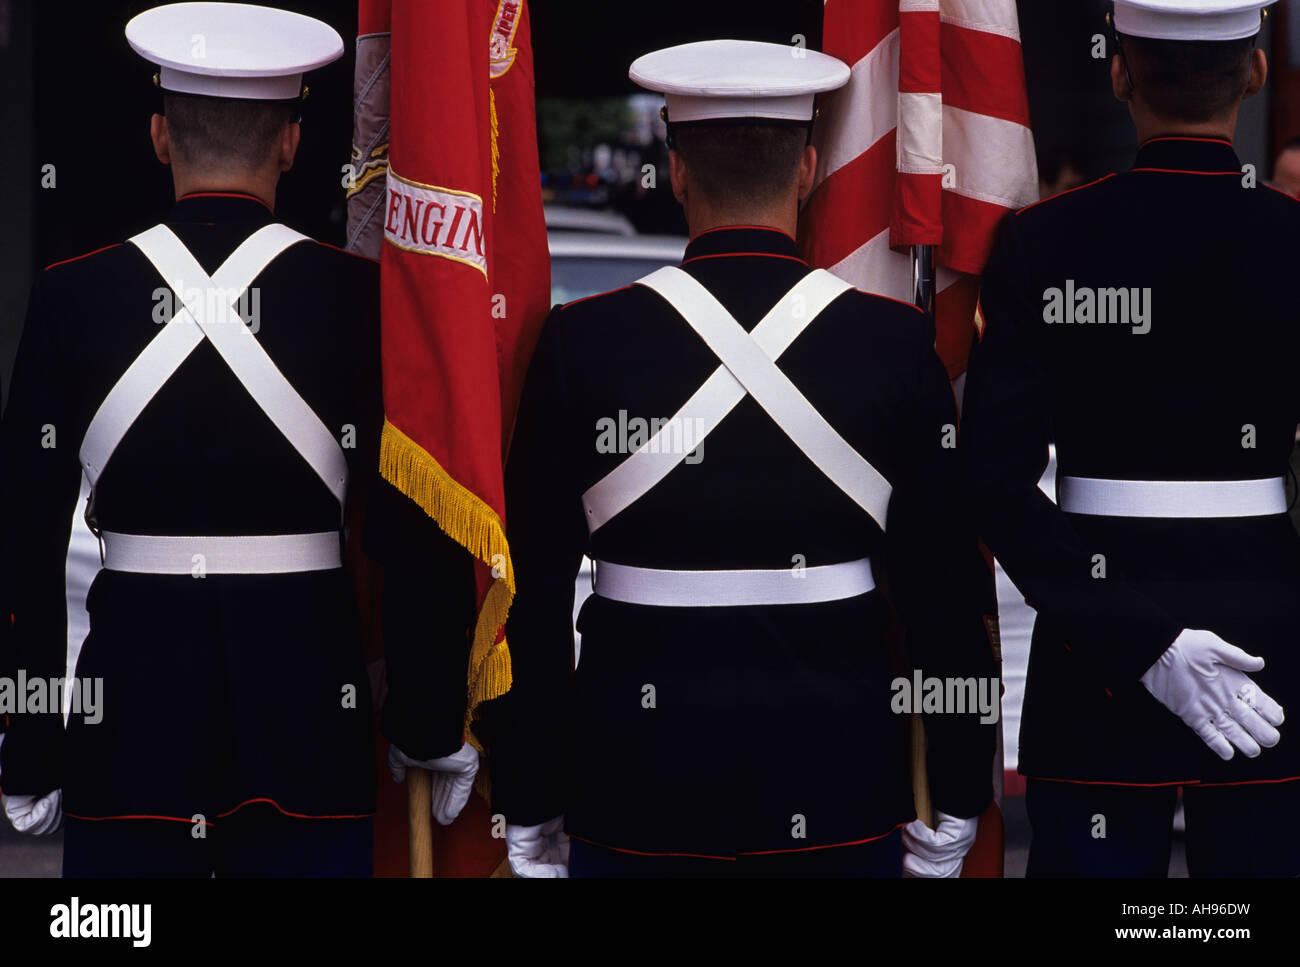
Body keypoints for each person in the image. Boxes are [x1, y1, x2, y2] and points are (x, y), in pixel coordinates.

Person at [486, 39, 999, 878]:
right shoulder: (893, 344)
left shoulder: (586, 341)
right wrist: (956, 787)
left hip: (634, 797)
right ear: (805, 169)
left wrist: (532, 792)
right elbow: (942, 591)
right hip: (836, 795)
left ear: (676, 170)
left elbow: (534, 596)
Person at [0, 2, 476, 876]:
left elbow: (20, 547)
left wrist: (28, 742)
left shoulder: (72, 295)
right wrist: (427, 720)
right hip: (307, 735)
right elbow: (415, 530)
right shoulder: (358, 300)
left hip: (129, 736)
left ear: (158, 134)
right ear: (292, 144)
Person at [961, 0, 1298, 877]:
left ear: (1118, 72)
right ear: (1255, 71)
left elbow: (994, 483)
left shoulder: (1041, 242)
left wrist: (1139, 641)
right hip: (1269, 635)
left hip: (1094, 639)